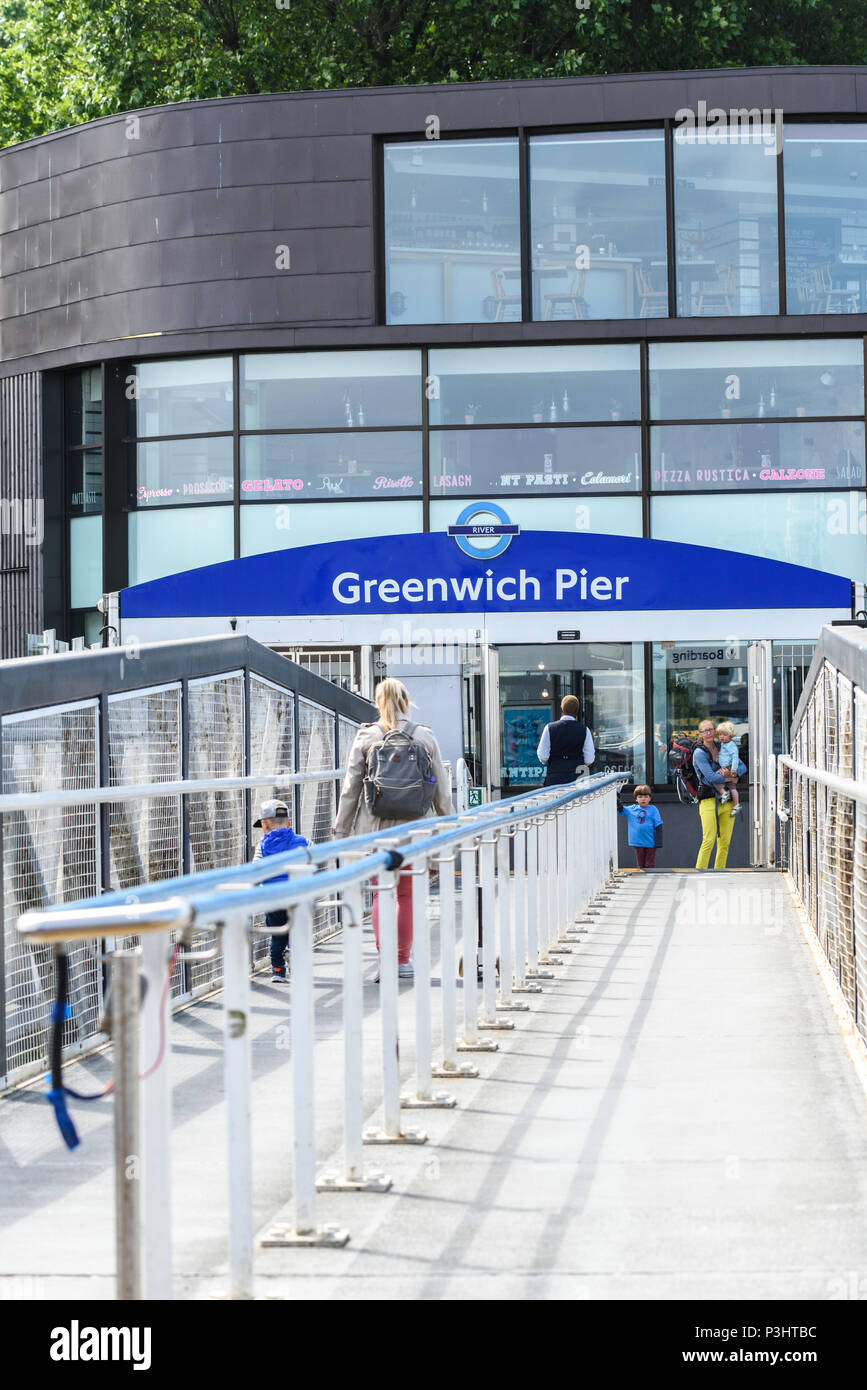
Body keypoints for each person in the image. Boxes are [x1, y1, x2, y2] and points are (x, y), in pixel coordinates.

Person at [333, 678, 453, 980]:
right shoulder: (425, 737)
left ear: (377, 702)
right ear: (406, 702)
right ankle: (402, 961)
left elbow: (350, 790)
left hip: (375, 830)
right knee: (406, 896)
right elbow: (441, 790)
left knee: (380, 895)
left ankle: (385, 961)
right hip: (415, 830)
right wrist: (449, 827)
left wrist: (341, 832)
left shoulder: (366, 737)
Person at [252, 798, 309, 980]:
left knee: (276, 934)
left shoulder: (262, 845)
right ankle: (295, 956)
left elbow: (256, 869)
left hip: (273, 898)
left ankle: (278, 970)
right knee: (297, 929)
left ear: (264, 824)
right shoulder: (303, 841)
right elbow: (317, 855)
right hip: (298, 896)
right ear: (289, 823)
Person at [693, 719, 746, 870]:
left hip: (727, 801)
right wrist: (731, 776)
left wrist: (730, 773)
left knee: (725, 843)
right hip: (708, 800)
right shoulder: (699, 753)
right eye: (705, 731)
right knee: (708, 840)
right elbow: (711, 777)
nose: (709, 733)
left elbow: (742, 767)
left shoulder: (722, 745)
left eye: (711, 729)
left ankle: (720, 872)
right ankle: (699, 874)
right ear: (700, 734)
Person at [536, 694, 595, 785]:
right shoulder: (584, 730)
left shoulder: (549, 728)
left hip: (554, 779)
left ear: (562, 709)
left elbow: (543, 756)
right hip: (578, 779)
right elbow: (589, 759)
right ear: (577, 710)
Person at [619, 784, 663, 869]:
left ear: (650, 798)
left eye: (646, 796)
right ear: (636, 799)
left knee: (649, 865)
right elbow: (620, 808)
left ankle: (649, 879)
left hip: (650, 842)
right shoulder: (631, 809)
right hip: (638, 842)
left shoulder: (653, 809)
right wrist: (616, 797)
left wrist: (659, 842)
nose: (643, 799)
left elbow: (658, 825)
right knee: (640, 865)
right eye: (640, 796)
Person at [715, 721, 742, 815]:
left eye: (724, 734)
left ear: (730, 735)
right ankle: (736, 805)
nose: (721, 736)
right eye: (720, 734)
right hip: (725, 766)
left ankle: (724, 793)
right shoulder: (723, 744)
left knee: (715, 779)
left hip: (729, 767)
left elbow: (735, 758)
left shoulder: (731, 745)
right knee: (732, 787)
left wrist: (733, 770)